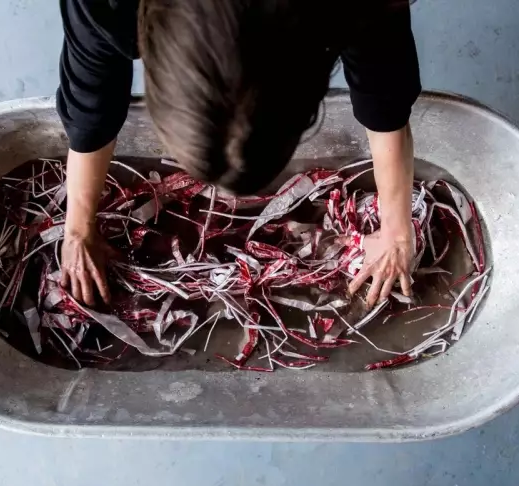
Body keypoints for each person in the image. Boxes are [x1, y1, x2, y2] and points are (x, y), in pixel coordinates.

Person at [56, 0, 421, 309]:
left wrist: (398, 232)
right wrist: (77, 229)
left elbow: (383, 87)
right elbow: (93, 97)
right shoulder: (103, 5)